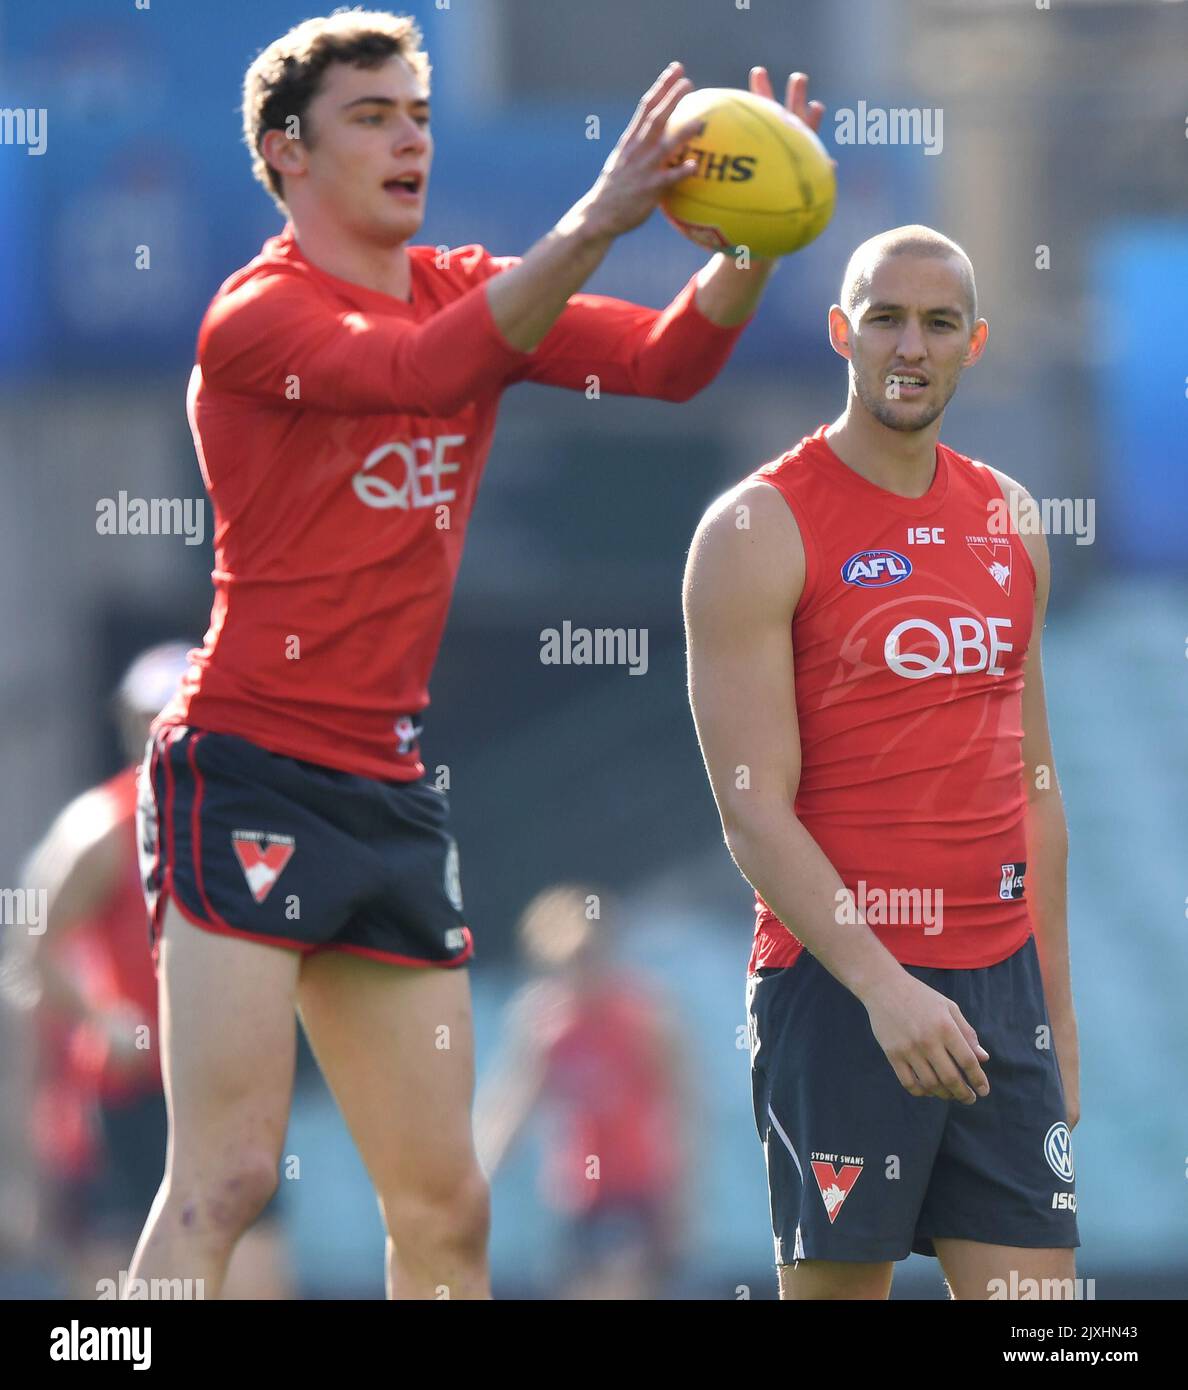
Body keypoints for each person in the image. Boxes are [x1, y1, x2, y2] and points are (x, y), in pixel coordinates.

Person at [128, 9, 831, 1300]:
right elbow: (416, 371)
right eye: (371, 116)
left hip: (386, 792)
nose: (409, 138)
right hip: (245, 768)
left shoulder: (468, 285)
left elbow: (671, 362)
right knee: (226, 1173)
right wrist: (596, 222)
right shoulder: (258, 314)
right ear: (284, 153)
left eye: (419, 114)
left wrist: (754, 232)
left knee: (447, 1209)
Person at [682, 225, 1080, 1300]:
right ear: (840, 332)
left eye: (939, 322)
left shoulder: (1010, 517)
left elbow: (1035, 789)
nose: (912, 344)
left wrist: (1057, 1016)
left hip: (1001, 996)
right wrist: (884, 989)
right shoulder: (757, 526)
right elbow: (752, 814)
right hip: (842, 989)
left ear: (974, 343)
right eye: (886, 318)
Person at [11, 643, 292, 1298]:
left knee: (258, 1274)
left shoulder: (251, 819)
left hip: (230, 1089)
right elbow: (34, 951)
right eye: (154, 716)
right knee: (132, 1291)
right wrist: (101, 1018)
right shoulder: (101, 828)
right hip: (136, 1095)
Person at [476, 886, 689, 1299]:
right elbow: (513, 1105)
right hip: (576, 1196)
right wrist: (479, 1179)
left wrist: (681, 1195)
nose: (582, 971)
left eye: (591, 956)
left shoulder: (643, 1019)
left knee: (622, 1285)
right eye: (570, 961)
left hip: (636, 1187)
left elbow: (682, 1106)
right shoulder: (545, 1027)